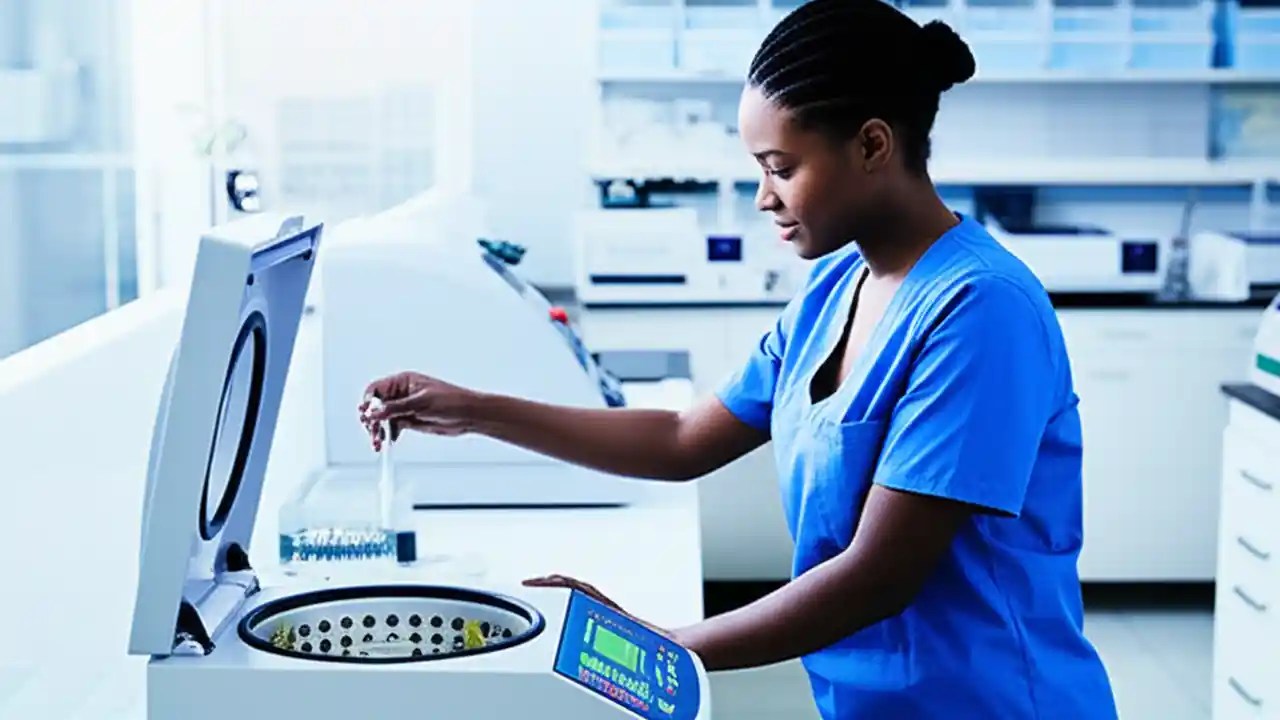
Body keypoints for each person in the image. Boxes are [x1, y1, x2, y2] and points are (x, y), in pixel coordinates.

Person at [359, 0, 1118, 717]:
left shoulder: (982, 309)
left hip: (996, 702)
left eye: (781, 167)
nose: (763, 195)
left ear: (873, 146)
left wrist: (652, 647)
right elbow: (683, 439)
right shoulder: (835, 287)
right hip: (871, 701)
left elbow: (879, 577)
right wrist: (470, 410)